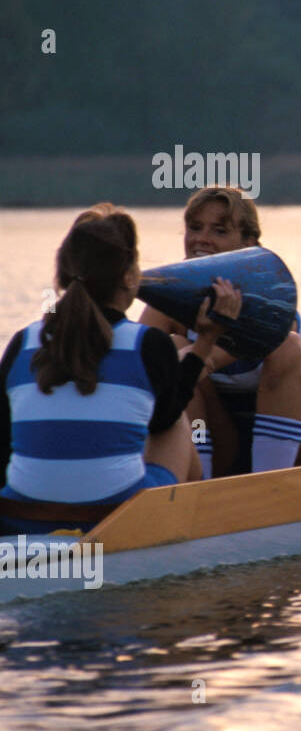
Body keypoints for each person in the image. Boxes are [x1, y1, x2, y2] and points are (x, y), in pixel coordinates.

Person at [1, 204, 239, 535]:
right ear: (129, 277)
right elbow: (166, 416)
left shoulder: (22, 341)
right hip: (113, 519)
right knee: (173, 421)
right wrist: (207, 340)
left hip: (18, 516)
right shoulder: (146, 343)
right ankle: (196, 527)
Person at [139, 186, 301, 477]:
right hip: (224, 441)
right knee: (172, 348)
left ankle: (268, 485)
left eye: (219, 231)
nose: (202, 239)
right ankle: (198, 483)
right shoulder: (167, 309)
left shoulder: (272, 307)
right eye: (195, 227)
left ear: (248, 244)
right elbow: (132, 363)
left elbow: (207, 360)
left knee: (285, 347)